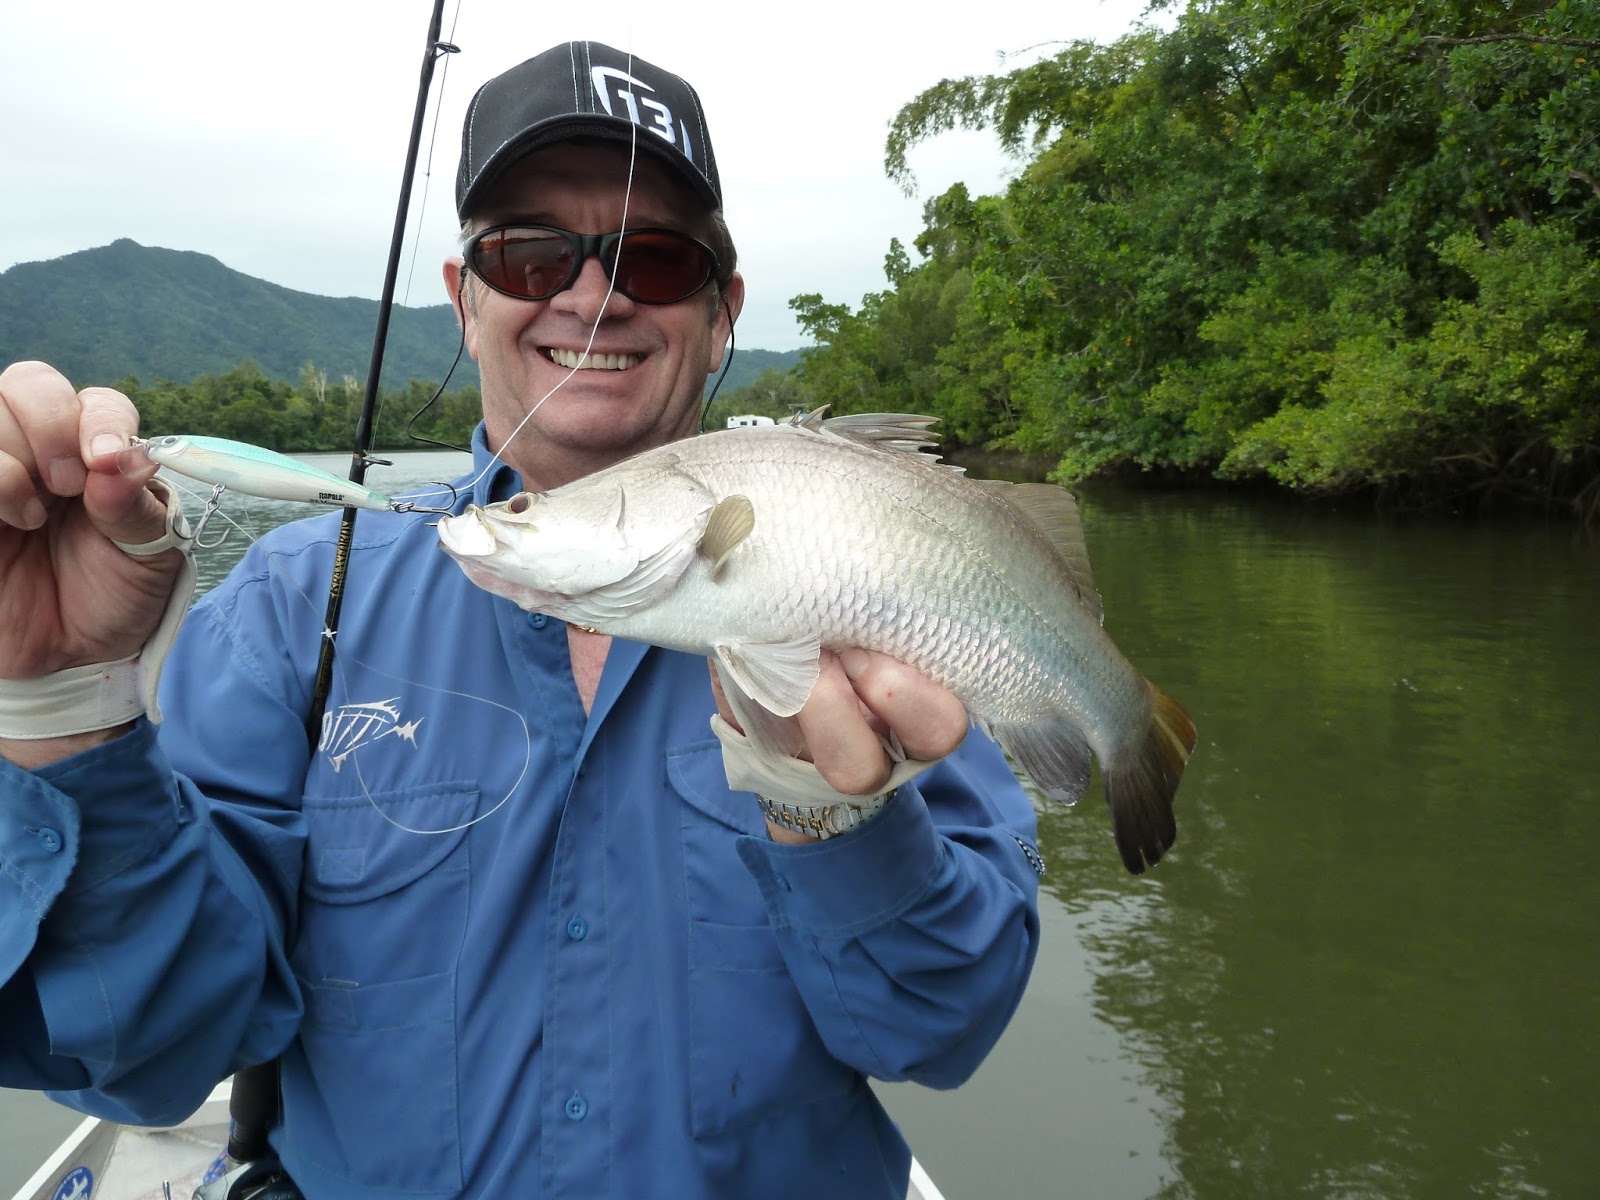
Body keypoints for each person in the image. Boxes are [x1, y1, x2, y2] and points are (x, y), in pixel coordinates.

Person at [0, 40, 1043, 1200]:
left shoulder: (868, 580)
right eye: (532, 251)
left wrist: (834, 823)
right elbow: (155, 1055)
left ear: (720, 310)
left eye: (653, 257)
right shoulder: (302, 605)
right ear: (465, 296)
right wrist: (59, 707)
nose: (592, 295)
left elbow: (940, 1032)